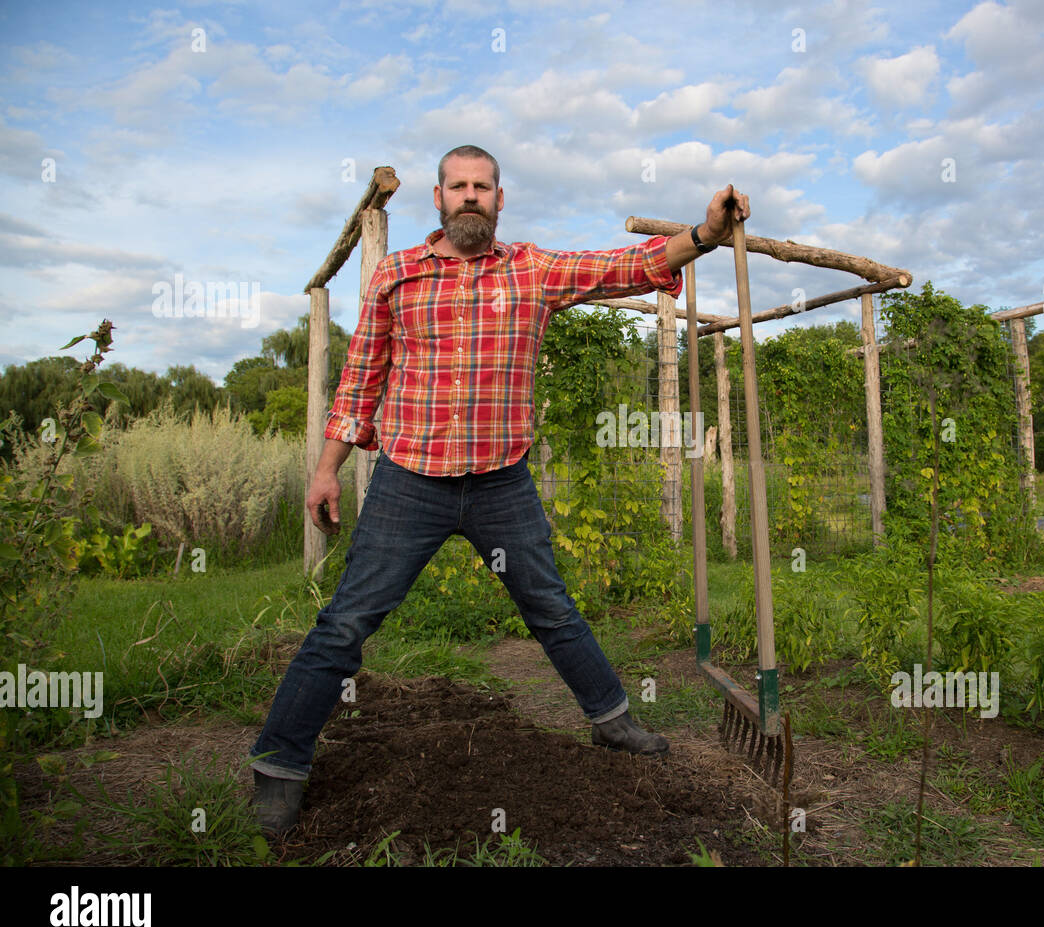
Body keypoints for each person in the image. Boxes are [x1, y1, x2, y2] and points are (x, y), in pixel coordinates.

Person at [250, 144, 751, 837]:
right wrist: (327, 467)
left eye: (482, 186)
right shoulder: (396, 276)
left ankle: (612, 721)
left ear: (499, 199)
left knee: (550, 606)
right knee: (345, 623)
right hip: (409, 481)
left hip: (499, 483)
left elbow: (622, 266)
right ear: (438, 198)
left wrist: (704, 235)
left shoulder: (531, 270)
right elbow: (361, 377)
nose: (470, 196)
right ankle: (278, 766)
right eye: (457, 186)